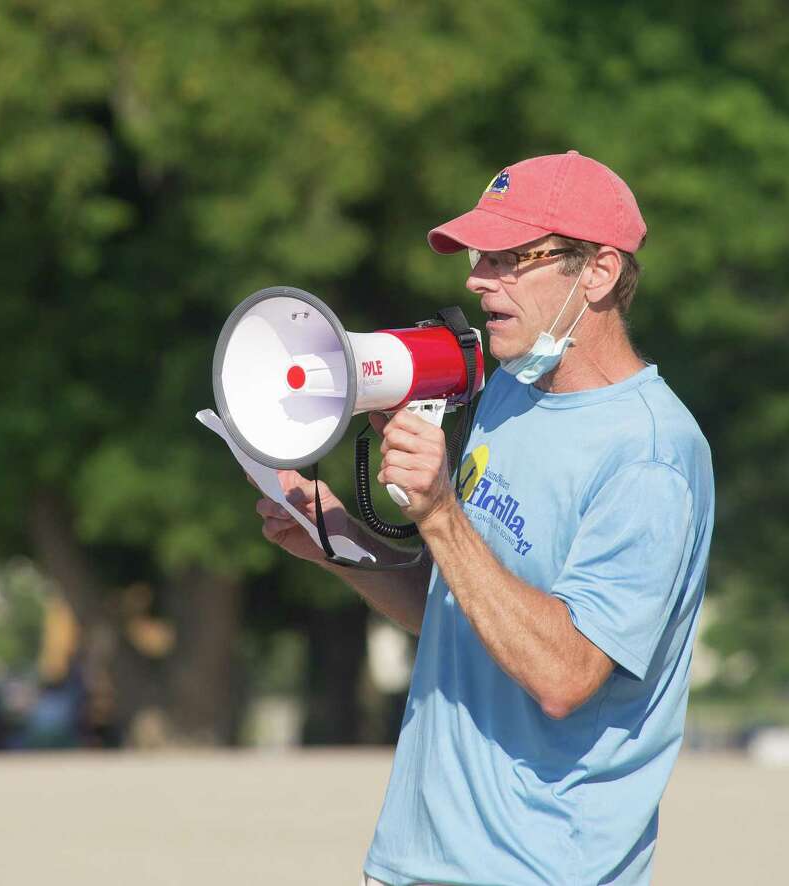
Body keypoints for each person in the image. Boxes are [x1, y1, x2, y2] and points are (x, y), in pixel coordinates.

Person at [256, 150, 715, 885]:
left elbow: (564, 675)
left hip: (537, 868)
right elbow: (462, 611)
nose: (476, 279)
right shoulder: (510, 392)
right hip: (416, 858)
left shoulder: (651, 456)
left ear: (596, 273)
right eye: (478, 256)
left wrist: (439, 512)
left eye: (508, 258)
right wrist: (338, 540)